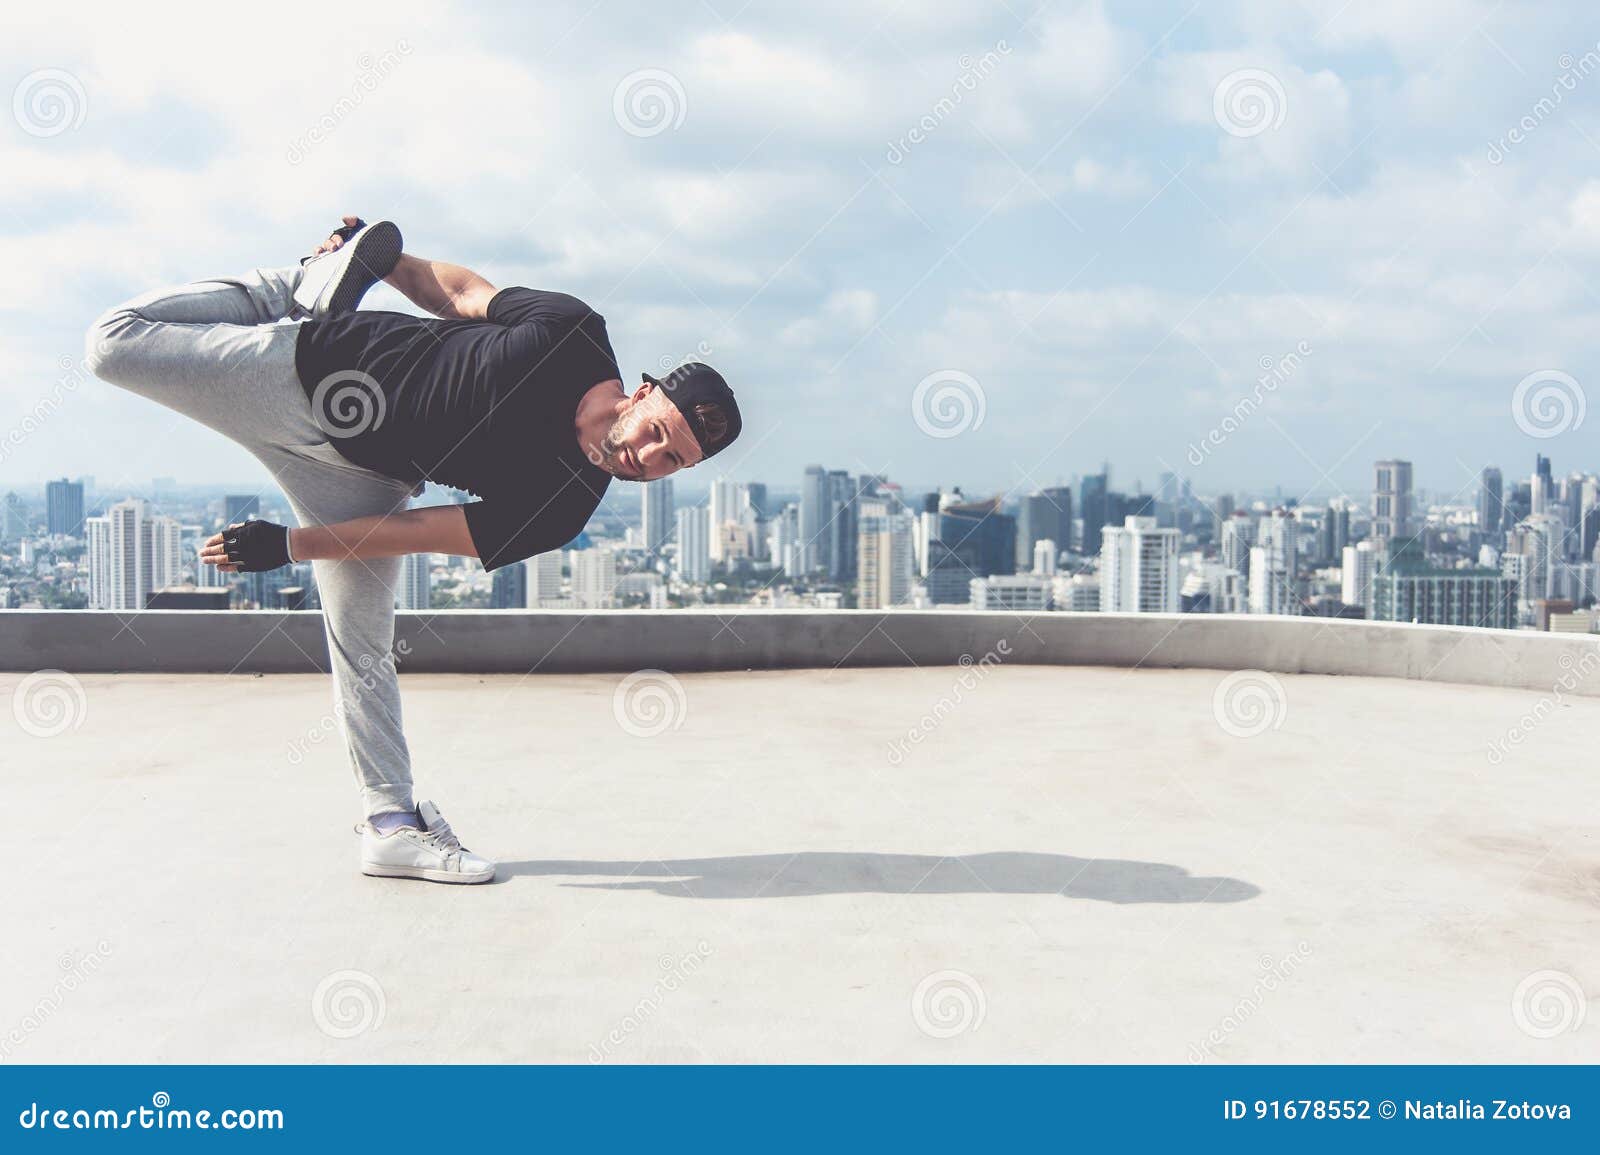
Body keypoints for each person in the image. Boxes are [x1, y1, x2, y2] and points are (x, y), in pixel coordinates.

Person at [85, 216, 742, 885]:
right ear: (641, 393)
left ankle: (390, 823)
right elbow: (460, 294)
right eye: (659, 431)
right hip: (310, 372)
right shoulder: (573, 333)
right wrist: (386, 262)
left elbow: (419, 531)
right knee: (111, 345)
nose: (651, 457)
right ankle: (295, 287)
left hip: (363, 480)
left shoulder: (566, 507)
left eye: (674, 461)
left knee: (364, 640)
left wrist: (287, 545)